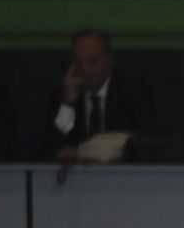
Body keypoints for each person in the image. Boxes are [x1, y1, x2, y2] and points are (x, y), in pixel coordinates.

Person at [47, 28, 158, 162]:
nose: (84, 69)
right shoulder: (64, 94)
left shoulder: (131, 93)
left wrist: (86, 154)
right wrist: (68, 104)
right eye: (78, 62)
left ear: (109, 61)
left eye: (92, 61)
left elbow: (143, 145)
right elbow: (51, 147)